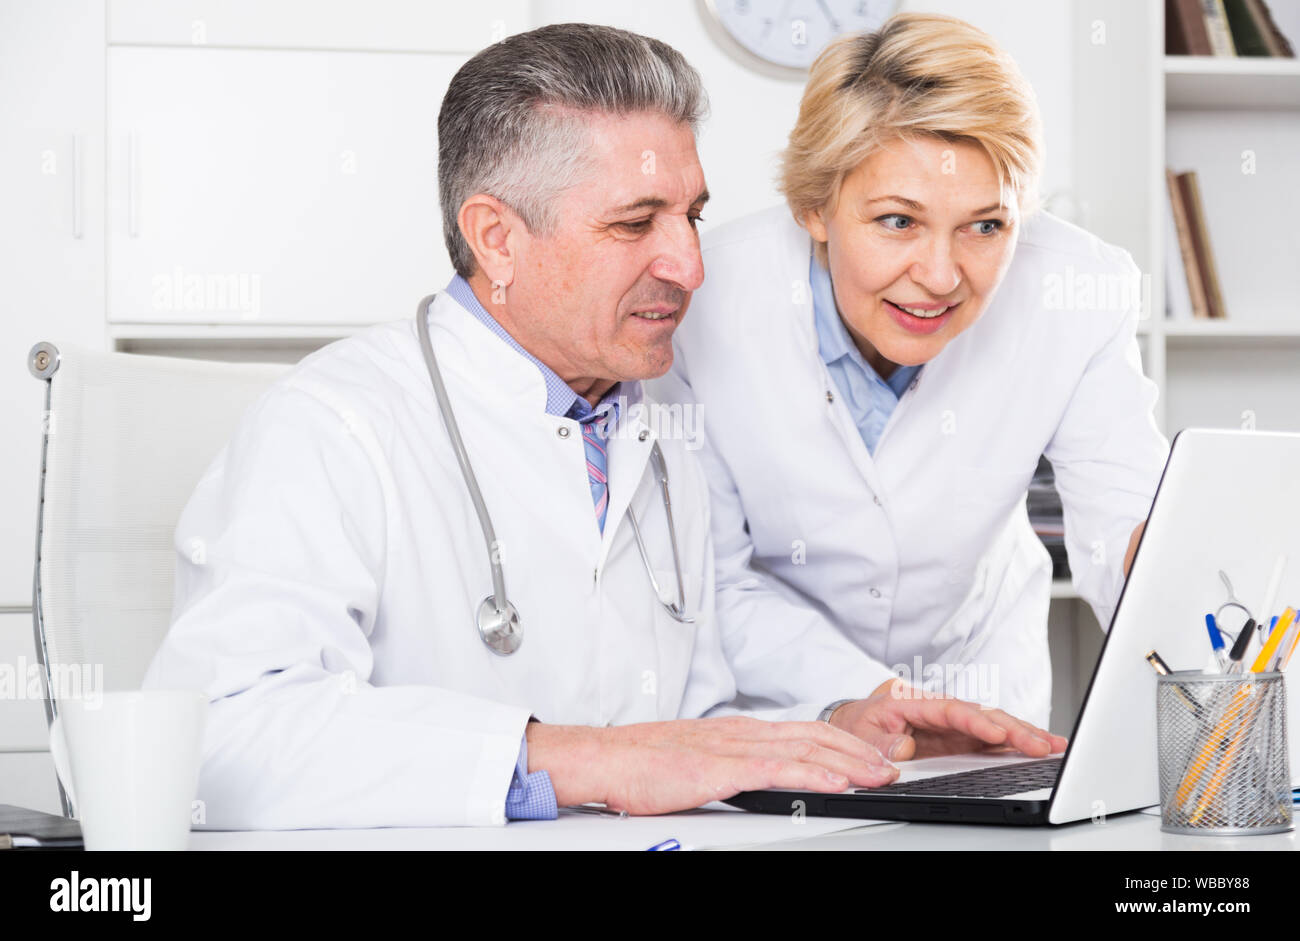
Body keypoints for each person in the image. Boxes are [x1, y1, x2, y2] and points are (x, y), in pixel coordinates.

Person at [143, 22, 1064, 830]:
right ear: (497, 238)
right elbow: (210, 738)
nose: (691, 266)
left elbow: (686, 719)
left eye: (693, 216)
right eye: (636, 224)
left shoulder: (659, 424)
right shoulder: (333, 427)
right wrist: (581, 757)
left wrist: (832, 723)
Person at [652, 13, 1169, 731]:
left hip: (984, 684)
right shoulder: (703, 306)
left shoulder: (1077, 290)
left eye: (986, 225)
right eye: (898, 221)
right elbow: (715, 577)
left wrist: (1164, 563)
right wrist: (875, 699)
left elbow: (1128, 526)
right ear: (815, 206)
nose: (939, 275)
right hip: (788, 701)